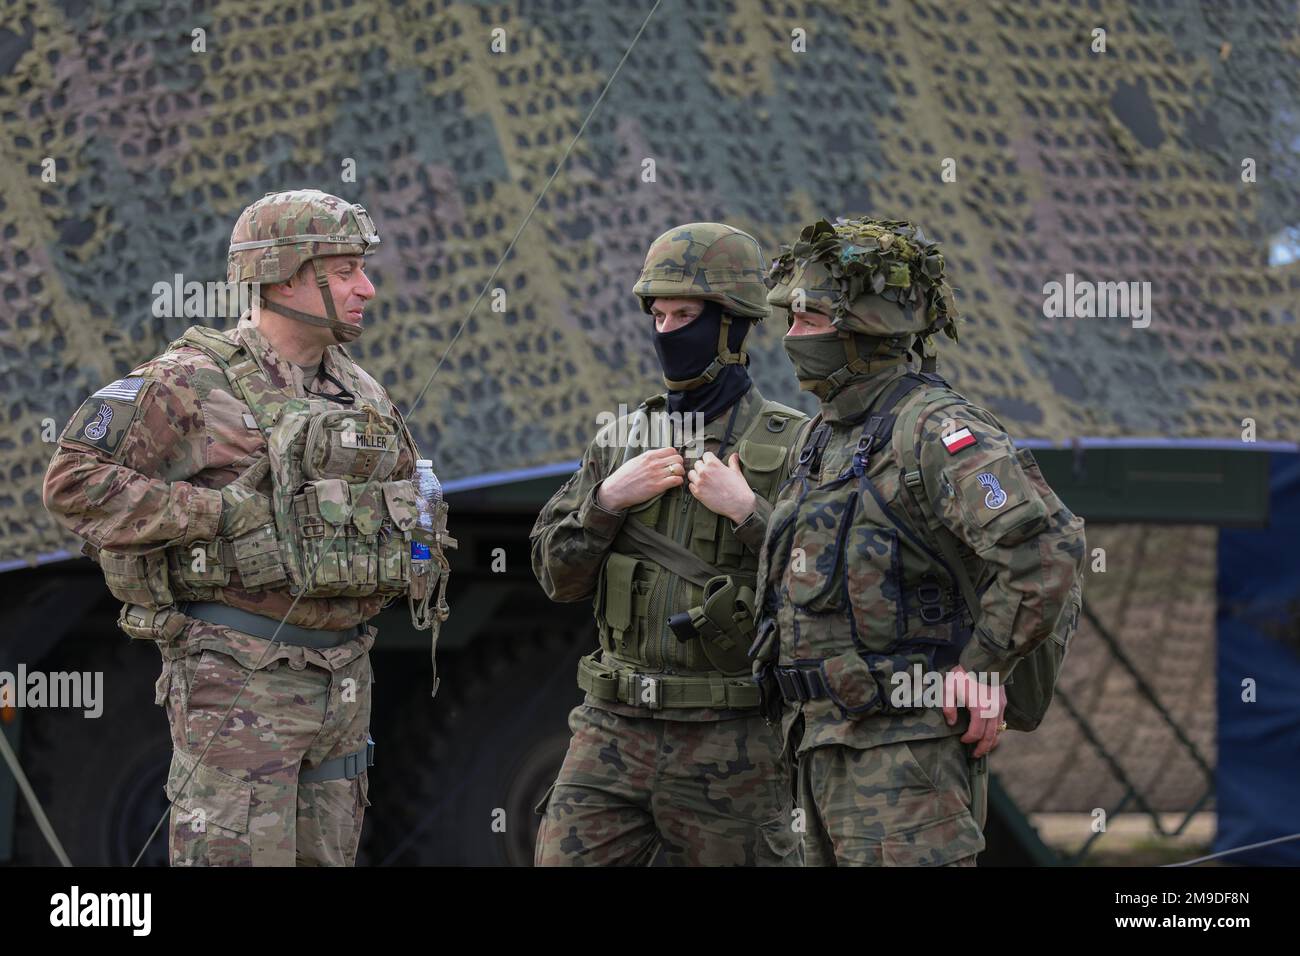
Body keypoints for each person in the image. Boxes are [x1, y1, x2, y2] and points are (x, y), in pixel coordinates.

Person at [42, 189, 452, 866]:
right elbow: (74, 485)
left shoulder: (362, 393)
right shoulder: (189, 382)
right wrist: (218, 513)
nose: (367, 288)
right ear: (289, 273)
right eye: (346, 270)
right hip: (240, 676)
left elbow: (399, 511)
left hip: (344, 678)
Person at [753, 216, 1086, 866]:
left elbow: (1044, 553)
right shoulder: (822, 439)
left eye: (809, 318)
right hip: (815, 755)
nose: (792, 338)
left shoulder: (937, 432)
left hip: (904, 766)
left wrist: (983, 670)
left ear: (864, 328)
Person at [530, 222, 809, 865]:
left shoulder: (795, 445)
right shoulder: (621, 440)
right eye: (658, 314)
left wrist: (749, 513)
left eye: (685, 315)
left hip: (732, 739)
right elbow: (556, 577)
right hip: (610, 730)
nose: (666, 331)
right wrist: (606, 504)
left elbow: (826, 590)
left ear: (732, 327)